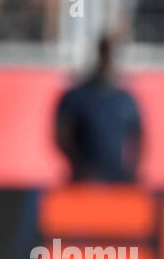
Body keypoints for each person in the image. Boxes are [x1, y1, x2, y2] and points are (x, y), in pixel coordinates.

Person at [54, 35, 143, 183]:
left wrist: (131, 171)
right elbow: (62, 136)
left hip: (118, 181)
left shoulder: (126, 99)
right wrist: (80, 166)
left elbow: (140, 138)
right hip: (83, 182)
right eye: (104, 52)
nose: (107, 59)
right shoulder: (77, 97)